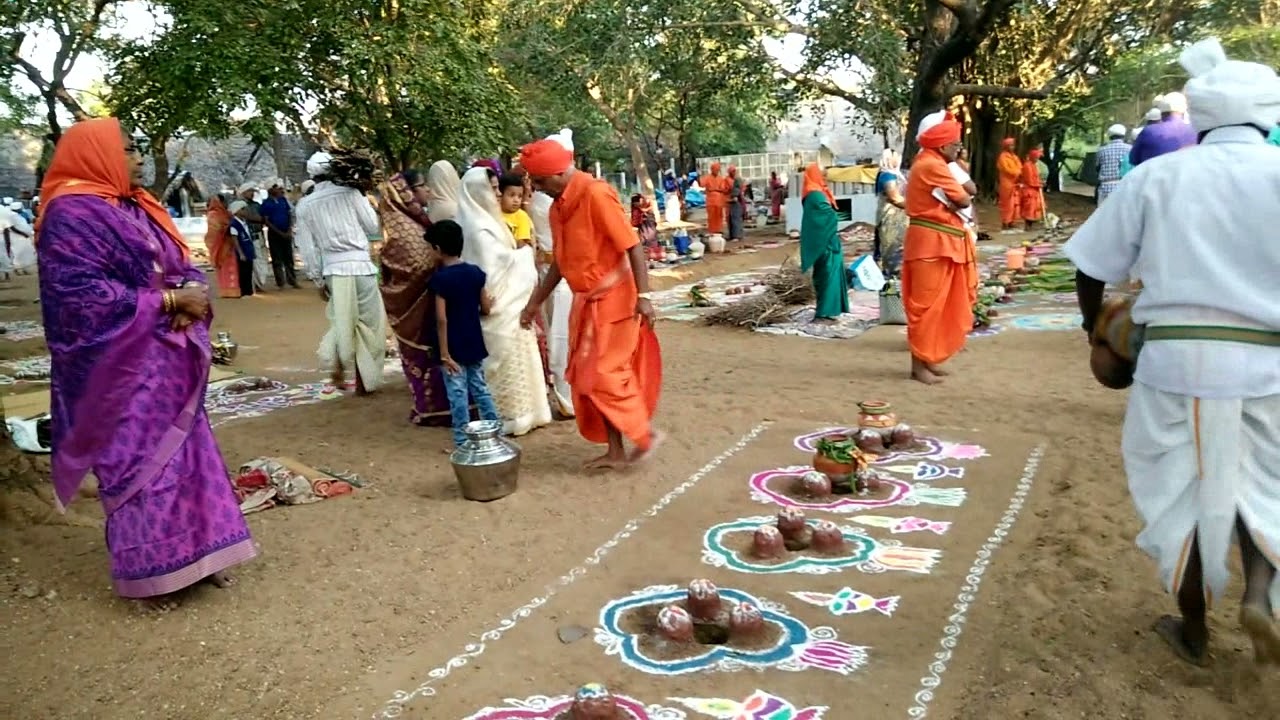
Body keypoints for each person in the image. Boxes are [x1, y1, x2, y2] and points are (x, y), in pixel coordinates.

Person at [1065, 37, 1280, 667]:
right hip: (1269, 363)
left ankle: (1193, 631)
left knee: (1180, 494)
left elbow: (1090, 266)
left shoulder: (1156, 176)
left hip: (1172, 363)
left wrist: (1096, 330)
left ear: (1201, 117)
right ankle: (1261, 598)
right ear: (1268, 113)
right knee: (1265, 488)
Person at [35, 117, 256, 605]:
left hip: (165, 357)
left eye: (137, 149)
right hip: (119, 367)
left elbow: (174, 263)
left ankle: (205, 554)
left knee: (186, 450)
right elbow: (77, 298)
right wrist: (170, 304)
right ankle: (154, 567)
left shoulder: (134, 206)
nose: (137, 159)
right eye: (130, 150)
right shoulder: (71, 215)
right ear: (99, 155)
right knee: (139, 461)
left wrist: (189, 292)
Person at [518, 136, 663, 470]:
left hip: (618, 299)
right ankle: (615, 451)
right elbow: (561, 262)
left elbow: (633, 246)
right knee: (586, 378)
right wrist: (533, 303)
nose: (537, 189)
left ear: (556, 173)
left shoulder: (595, 194)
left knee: (605, 374)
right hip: (586, 302)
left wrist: (644, 297)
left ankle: (644, 435)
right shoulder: (558, 208)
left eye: (539, 181)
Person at [456, 166, 553, 436]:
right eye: (495, 189)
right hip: (497, 304)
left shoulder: (488, 221)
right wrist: (524, 255)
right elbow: (492, 267)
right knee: (507, 365)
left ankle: (531, 413)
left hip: (511, 302)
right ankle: (512, 417)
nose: (498, 194)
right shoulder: (477, 227)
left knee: (521, 359)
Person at [295, 151, 387, 394]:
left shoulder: (305, 205)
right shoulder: (352, 194)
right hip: (362, 266)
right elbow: (371, 226)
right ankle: (364, 380)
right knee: (369, 324)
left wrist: (317, 278)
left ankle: (340, 368)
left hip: (334, 271)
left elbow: (307, 247)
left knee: (343, 322)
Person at [902, 110, 976, 385]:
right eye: (956, 144)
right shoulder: (932, 165)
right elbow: (965, 199)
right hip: (931, 246)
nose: (959, 149)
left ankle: (928, 359)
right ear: (943, 145)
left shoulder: (930, 161)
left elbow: (964, 197)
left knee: (939, 304)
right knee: (926, 306)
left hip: (940, 243)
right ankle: (918, 366)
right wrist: (958, 200)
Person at [377, 169, 452, 426]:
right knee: (425, 359)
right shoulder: (403, 228)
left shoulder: (416, 222)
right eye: (422, 186)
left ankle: (441, 408)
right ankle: (431, 409)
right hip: (415, 306)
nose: (427, 191)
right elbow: (415, 267)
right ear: (407, 193)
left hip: (430, 302)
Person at [423, 219, 501, 448]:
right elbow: (486, 308)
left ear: (437, 249)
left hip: (452, 347)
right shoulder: (476, 273)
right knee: (480, 388)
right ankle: (495, 432)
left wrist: (445, 354)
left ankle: (462, 440)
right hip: (473, 342)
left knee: (458, 395)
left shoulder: (440, 280)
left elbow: (441, 319)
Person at [528, 130, 575, 418]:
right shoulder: (551, 198)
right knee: (560, 336)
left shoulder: (559, 199)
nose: (535, 184)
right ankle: (565, 397)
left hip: (562, 276)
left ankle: (568, 398)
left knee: (563, 336)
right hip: (551, 274)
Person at [798, 163, 849, 321]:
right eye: (822, 174)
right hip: (826, 243)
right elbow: (828, 216)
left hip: (824, 240)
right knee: (828, 275)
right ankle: (826, 311)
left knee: (825, 275)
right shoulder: (815, 194)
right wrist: (836, 215)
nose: (825, 177)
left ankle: (829, 309)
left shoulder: (814, 192)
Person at [1129, 92, 1198, 167]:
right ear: (1184, 111)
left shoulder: (1148, 131)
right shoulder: (1196, 130)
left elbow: (1133, 160)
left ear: (1161, 113)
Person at [873, 149, 907, 277]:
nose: (897, 159)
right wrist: (915, 208)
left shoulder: (896, 174)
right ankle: (892, 276)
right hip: (892, 218)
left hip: (901, 217)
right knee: (892, 247)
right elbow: (894, 197)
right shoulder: (887, 176)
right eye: (894, 157)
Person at [260, 181, 299, 289]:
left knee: (289, 258)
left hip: (286, 231)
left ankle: (292, 280)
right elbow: (267, 221)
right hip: (274, 233)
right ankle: (280, 282)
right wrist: (280, 233)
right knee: (277, 258)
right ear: (270, 190)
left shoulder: (283, 200)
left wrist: (289, 229)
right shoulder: (266, 203)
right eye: (275, 187)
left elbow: (289, 215)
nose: (278, 189)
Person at [204, 195, 242, 298]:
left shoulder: (226, 213)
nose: (226, 204)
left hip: (228, 243)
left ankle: (233, 290)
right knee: (223, 268)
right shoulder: (213, 214)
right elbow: (214, 230)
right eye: (224, 201)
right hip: (220, 245)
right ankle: (226, 291)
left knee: (231, 267)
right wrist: (226, 227)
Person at [226, 200, 256, 297]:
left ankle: (249, 290)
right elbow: (235, 240)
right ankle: (244, 291)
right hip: (243, 251)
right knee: (243, 272)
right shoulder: (234, 224)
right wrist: (241, 253)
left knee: (249, 271)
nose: (245, 211)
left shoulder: (244, 222)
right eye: (243, 209)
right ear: (237, 211)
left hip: (248, 249)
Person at [498, 173, 535, 249]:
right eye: (511, 195)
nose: (516, 200)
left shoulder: (522, 216)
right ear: (500, 194)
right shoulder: (494, 212)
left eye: (520, 196)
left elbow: (521, 243)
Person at [1096, 124, 1131, 203]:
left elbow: (1097, 168)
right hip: (1124, 187)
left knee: (1104, 214)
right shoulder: (1130, 149)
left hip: (1105, 187)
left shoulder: (1101, 150)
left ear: (1110, 136)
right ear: (1123, 136)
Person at [995, 138, 1022, 231]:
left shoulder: (1015, 157)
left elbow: (1020, 166)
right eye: (1010, 145)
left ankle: (1012, 222)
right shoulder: (1002, 157)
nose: (1012, 147)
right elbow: (1007, 170)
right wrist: (1017, 172)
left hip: (1015, 183)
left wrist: (1019, 172)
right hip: (1006, 184)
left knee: (1015, 203)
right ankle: (1005, 222)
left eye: (1013, 145)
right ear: (1006, 147)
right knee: (1007, 204)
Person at [1019, 149, 1046, 230]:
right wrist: (1038, 184)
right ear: (1033, 157)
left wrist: (1040, 182)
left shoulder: (1033, 165)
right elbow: (1029, 181)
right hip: (1029, 190)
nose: (1037, 159)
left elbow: (1036, 178)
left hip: (1034, 190)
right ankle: (1027, 226)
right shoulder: (1027, 166)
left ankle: (1031, 225)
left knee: (1035, 208)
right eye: (1036, 157)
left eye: (1038, 158)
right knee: (1029, 208)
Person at [702, 162, 729, 236]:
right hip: (711, 201)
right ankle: (712, 230)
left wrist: (714, 189)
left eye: (718, 169)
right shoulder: (707, 178)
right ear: (712, 169)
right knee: (711, 216)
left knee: (719, 215)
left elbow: (723, 188)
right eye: (715, 169)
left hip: (719, 200)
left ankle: (719, 229)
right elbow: (702, 184)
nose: (717, 170)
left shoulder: (721, 178)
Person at [727, 165, 746, 241]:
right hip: (739, 202)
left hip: (736, 203)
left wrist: (729, 199)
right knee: (735, 219)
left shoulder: (737, 182)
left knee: (735, 220)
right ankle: (737, 235)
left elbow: (735, 195)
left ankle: (736, 236)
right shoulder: (738, 180)